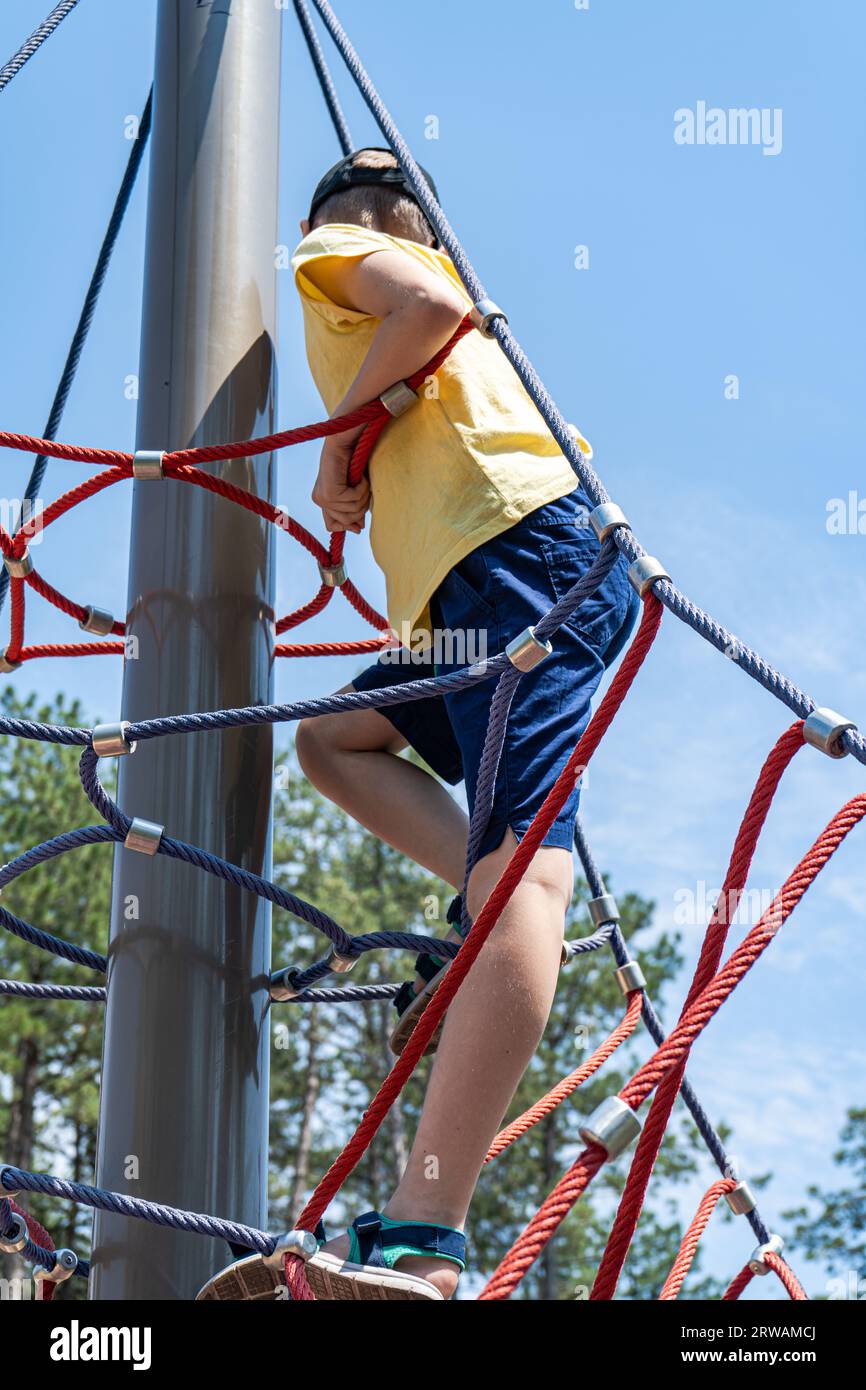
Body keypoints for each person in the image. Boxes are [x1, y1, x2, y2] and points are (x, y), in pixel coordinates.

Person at [198, 147, 638, 1302]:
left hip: (512, 562)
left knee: (521, 883)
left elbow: (427, 300)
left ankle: (425, 1234)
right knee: (332, 740)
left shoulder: (335, 252)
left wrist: (338, 447)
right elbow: (433, 324)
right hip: (479, 586)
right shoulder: (456, 353)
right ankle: (479, 906)